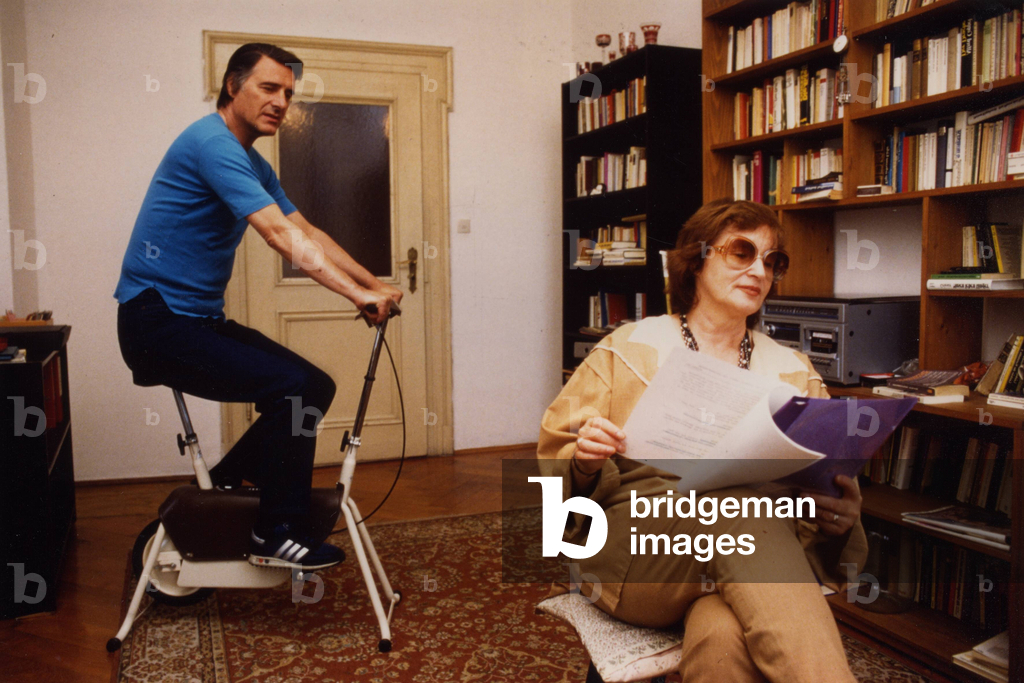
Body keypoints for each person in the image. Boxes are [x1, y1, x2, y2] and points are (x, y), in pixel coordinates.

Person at [537, 199, 867, 682]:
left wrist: (838, 517)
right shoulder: (629, 348)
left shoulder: (795, 374)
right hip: (642, 556)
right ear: (697, 257)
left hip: (747, 559)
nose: (760, 269)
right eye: (741, 252)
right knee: (737, 507)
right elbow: (553, 480)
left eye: (771, 260)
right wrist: (583, 462)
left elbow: (817, 498)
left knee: (722, 634)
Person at [114, 43, 402, 571]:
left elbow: (305, 229)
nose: (280, 102)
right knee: (290, 388)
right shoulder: (212, 143)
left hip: (194, 319)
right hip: (154, 323)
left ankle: (224, 487)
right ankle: (275, 532)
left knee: (312, 386)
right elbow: (275, 233)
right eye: (268, 88)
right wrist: (357, 296)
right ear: (232, 86)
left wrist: (374, 282)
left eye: (288, 93)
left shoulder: (248, 159)